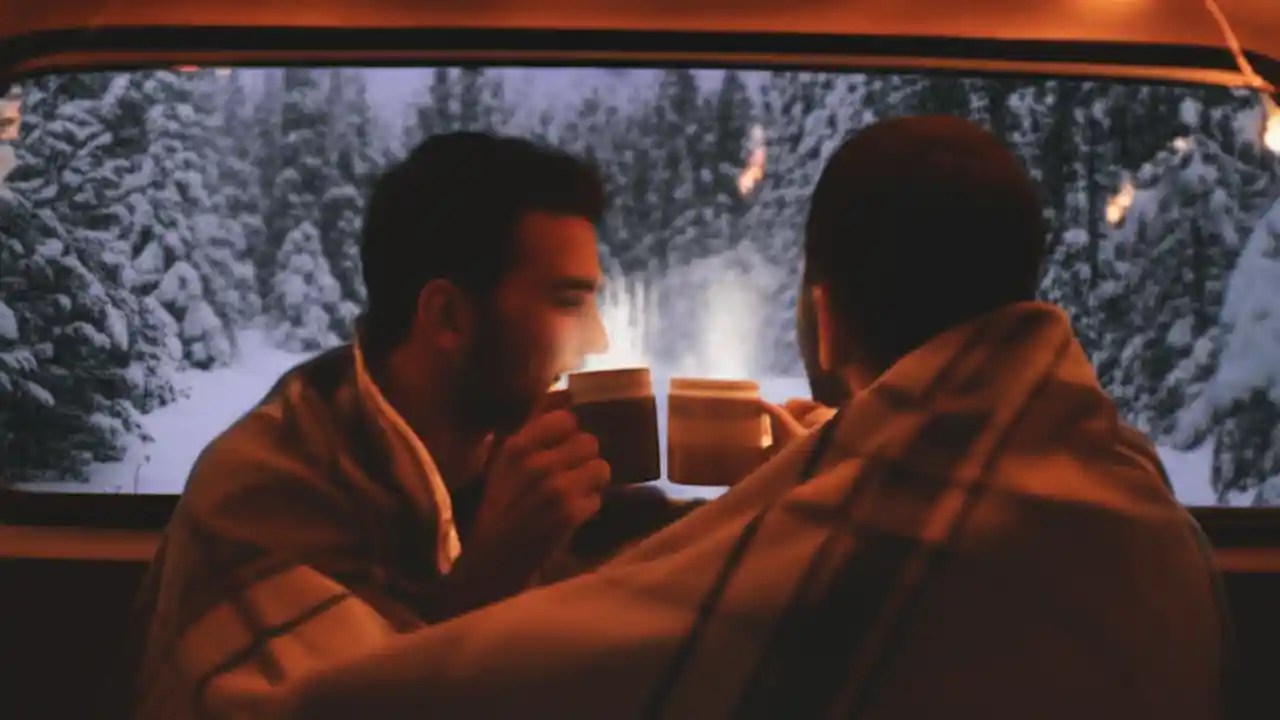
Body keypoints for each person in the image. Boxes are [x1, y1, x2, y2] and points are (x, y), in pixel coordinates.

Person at [273, 116, 1233, 720]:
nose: (598, 331)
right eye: (571, 300)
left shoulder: (832, 539)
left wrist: (479, 587)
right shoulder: (1139, 500)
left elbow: (370, 703)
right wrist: (827, 465)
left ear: (825, 313)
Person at [123, 133, 696, 720]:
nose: (597, 339)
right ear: (448, 317)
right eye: (569, 303)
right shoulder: (262, 493)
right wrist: (491, 575)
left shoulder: (503, 447)